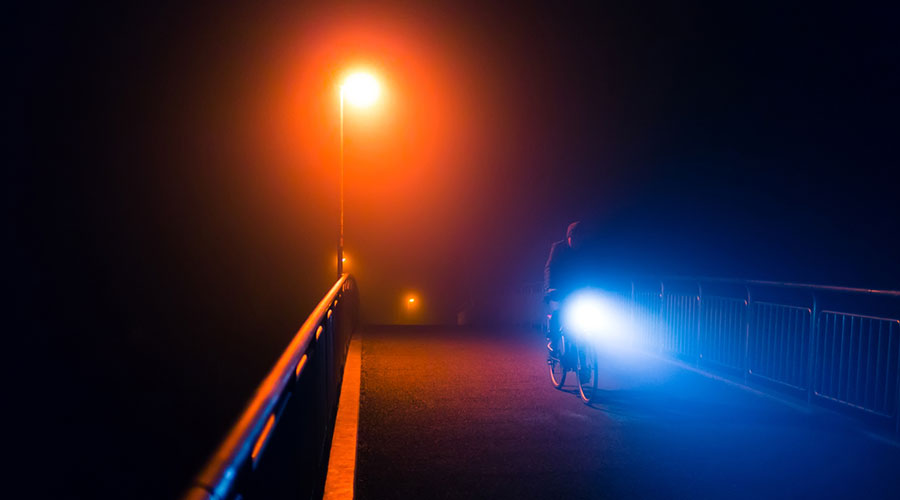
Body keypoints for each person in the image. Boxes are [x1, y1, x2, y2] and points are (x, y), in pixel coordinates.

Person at [543, 221, 588, 353]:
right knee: (558, 312)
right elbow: (549, 267)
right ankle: (553, 341)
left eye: (580, 238)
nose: (577, 241)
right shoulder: (558, 248)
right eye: (575, 238)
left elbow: (589, 270)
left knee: (581, 315)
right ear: (569, 237)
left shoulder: (583, 252)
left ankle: (578, 347)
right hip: (557, 289)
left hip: (573, 290)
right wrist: (549, 287)